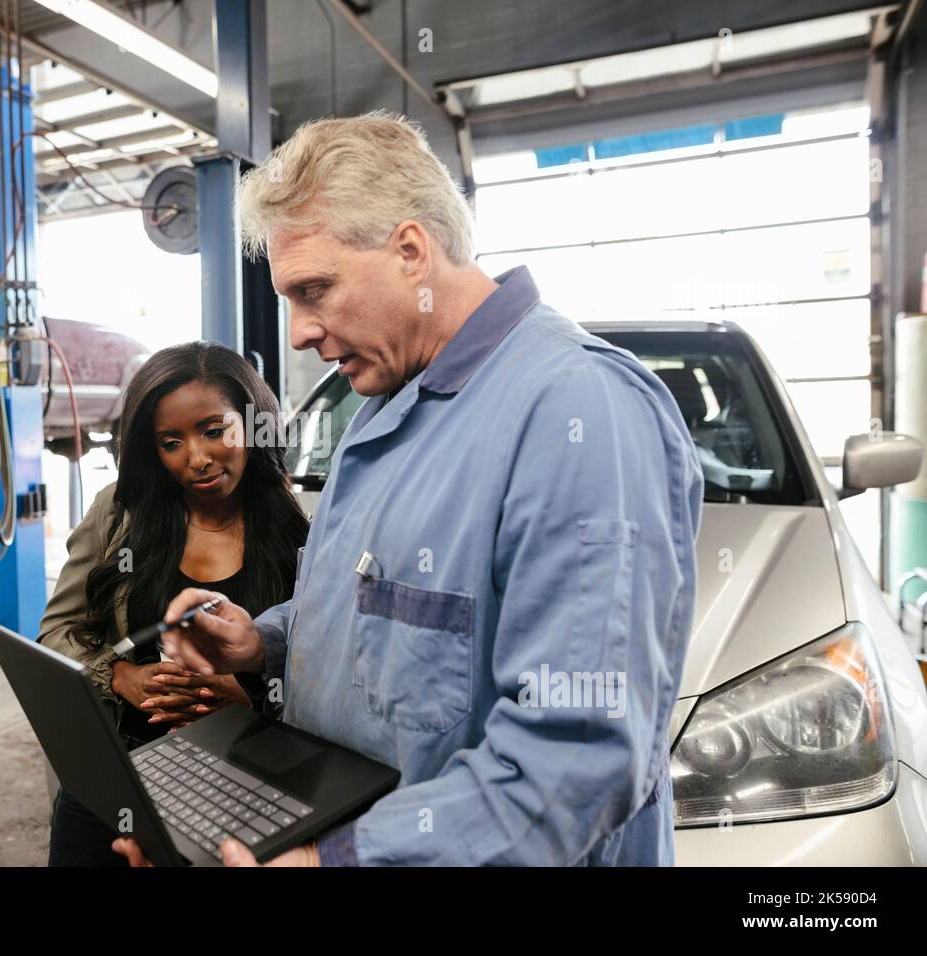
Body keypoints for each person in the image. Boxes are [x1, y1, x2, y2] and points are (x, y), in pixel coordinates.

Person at [113, 112, 704, 868]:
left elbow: (575, 764)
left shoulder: (577, 410)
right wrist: (261, 640)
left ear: (410, 251)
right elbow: (393, 610)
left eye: (314, 290)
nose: (297, 332)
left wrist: (340, 861)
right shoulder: (386, 403)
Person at [38, 341, 309, 866]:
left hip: (244, 788)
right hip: (119, 777)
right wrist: (121, 677)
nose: (198, 458)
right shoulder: (119, 515)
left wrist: (249, 700)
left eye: (214, 430)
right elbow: (57, 630)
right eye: (171, 442)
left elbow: (324, 670)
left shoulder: (298, 536)